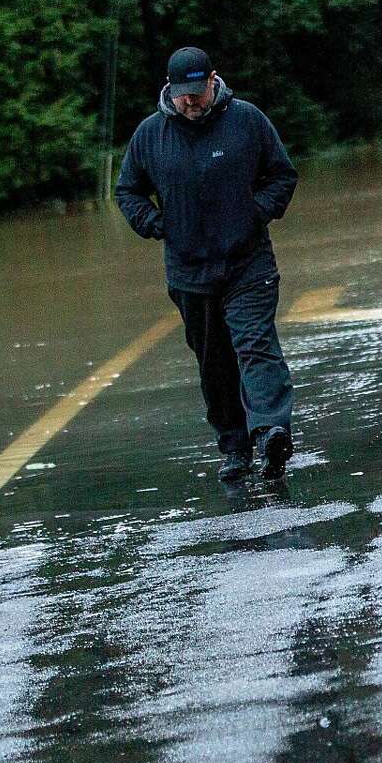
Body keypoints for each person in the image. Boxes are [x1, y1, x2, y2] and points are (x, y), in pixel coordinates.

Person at [116, 46, 300, 481]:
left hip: (248, 263)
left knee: (255, 345)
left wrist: (255, 213)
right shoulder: (150, 135)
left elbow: (282, 175)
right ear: (169, 89)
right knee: (213, 362)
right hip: (190, 273)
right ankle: (235, 447)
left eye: (198, 92)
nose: (191, 101)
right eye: (183, 95)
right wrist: (156, 224)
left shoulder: (247, 120)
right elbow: (128, 191)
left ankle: (270, 431)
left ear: (213, 81)